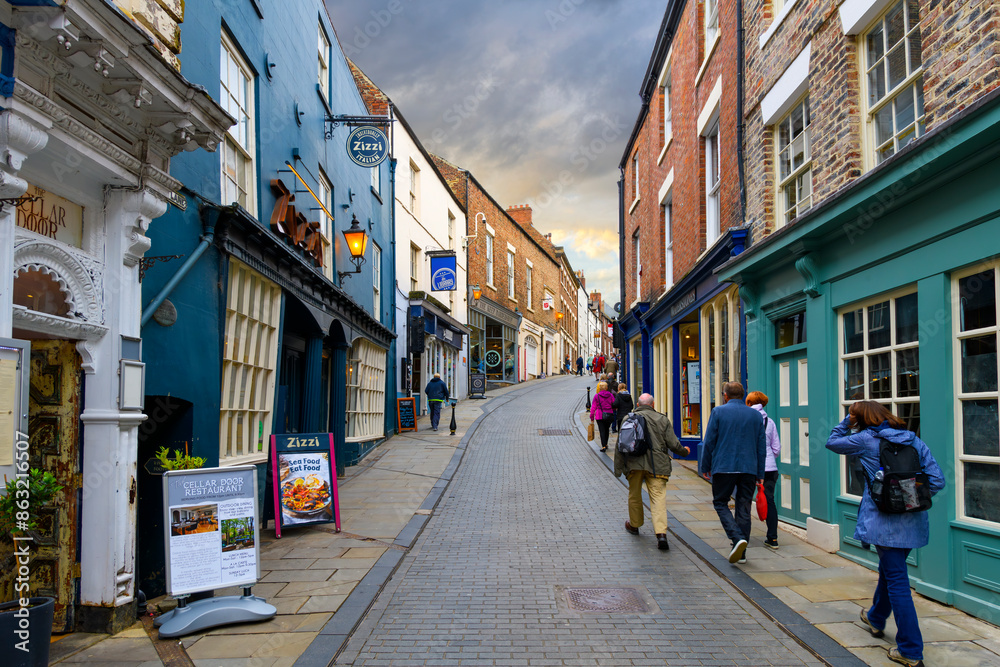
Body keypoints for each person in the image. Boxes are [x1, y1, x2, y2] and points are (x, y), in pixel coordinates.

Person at [826, 401, 944, 667]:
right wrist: (907, 499)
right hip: (912, 522)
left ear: (862, 418)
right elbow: (936, 480)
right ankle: (876, 618)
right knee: (892, 572)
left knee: (897, 581)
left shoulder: (866, 440)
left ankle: (911, 651)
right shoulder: (914, 440)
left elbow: (832, 442)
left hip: (882, 522)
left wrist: (847, 420)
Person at [700, 381, 765, 565]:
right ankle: (742, 553)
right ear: (743, 395)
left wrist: (705, 466)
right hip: (749, 468)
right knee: (744, 506)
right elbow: (761, 446)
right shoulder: (755, 416)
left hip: (724, 466)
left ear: (725, 395)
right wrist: (760, 472)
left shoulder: (718, 412)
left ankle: (737, 538)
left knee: (720, 503)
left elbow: (709, 441)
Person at [614, 393, 689, 550]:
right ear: (652, 405)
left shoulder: (628, 419)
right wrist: (685, 452)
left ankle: (634, 525)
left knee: (634, 495)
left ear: (639, 404)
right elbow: (673, 444)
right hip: (658, 465)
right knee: (658, 498)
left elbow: (619, 446)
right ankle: (661, 534)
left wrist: (618, 468)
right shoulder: (662, 419)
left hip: (634, 464)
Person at [746, 391, 782, 550]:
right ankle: (772, 539)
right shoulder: (771, 422)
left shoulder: (746, 419)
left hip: (748, 466)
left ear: (748, 403)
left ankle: (742, 538)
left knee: (744, 500)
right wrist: (767, 458)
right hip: (769, 468)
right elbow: (776, 448)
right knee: (770, 501)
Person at [589, 381, 616, 452]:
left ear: (600, 388)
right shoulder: (610, 395)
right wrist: (612, 410)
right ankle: (606, 444)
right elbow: (614, 404)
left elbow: (593, 408)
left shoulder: (597, 396)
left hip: (599, 415)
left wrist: (592, 417)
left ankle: (603, 445)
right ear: (606, 388)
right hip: (609, 415)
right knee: (607, 429)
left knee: (602, 430)